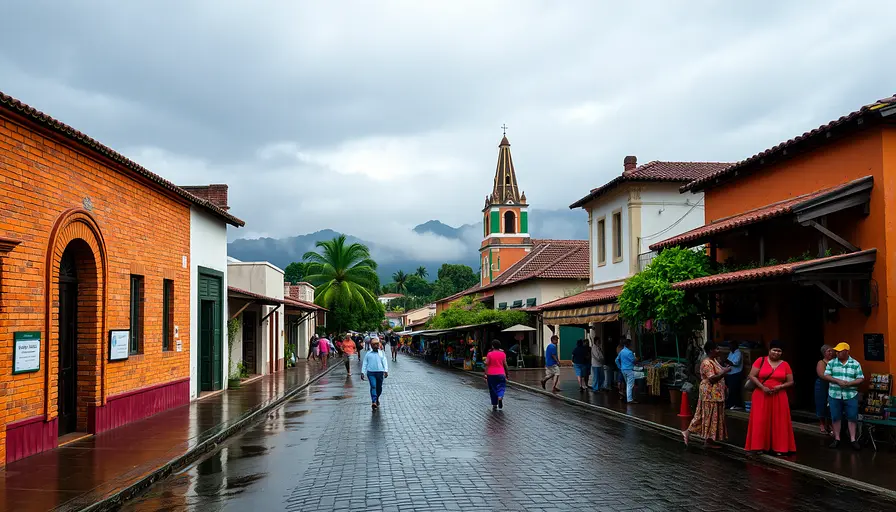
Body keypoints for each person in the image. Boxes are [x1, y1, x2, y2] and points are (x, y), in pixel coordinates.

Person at [744, 340, 797, 455]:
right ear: (769, 350)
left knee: (779, 421)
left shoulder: (785, 365)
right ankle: (758, 447)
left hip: (779, 395)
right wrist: (762, 387)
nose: (776, 353)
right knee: (760, 420)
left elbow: (791, 382)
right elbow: (752, 376)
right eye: (774, 350)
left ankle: (780, 448)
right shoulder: (760, 360)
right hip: (761, 394)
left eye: (779, 351)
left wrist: (780, 387)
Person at [683, 341, 730, 447]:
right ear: (711, 351)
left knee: (714, 416)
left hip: (717, 394)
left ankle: (709, 440)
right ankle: (688, 432)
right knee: (708, 416)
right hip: (710, 394)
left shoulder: (715, 361)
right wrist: (725, 371)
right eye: (717, 349)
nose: (719, 351)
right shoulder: (706, 363)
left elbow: (719, 374)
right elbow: (712, 379)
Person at [823, 342, 864, 450]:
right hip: (834, 394)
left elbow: (860, 378)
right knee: (836, 416)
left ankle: (853, 439)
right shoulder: (832, 363)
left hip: (850, 394)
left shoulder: (855, 364)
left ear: (846, 352)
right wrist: (837, 381)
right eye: (837, 351)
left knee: (852, 416)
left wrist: (850, 383)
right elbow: (826, 375)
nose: (837, 353)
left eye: (840, 351)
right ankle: (837, 438)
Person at [360, 337, 389, 410]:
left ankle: (377, 398)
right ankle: (373, 401)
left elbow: (384, 361)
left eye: (377, 344)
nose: (376, 346)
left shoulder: (381, 353)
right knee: (373, 386)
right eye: (374, 344)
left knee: (379, 387)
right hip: (371, 372)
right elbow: (365, 363)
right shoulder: (368, 354)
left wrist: (386, 370)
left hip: (380, 372)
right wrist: (363, 372)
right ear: (371, 345)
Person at [484, 340, 510, 410]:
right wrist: (507, 374)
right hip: (501, 373)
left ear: (492, 346)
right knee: (501, 387)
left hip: (491, 374)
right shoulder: (503, 354)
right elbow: (505, 364)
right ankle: (500, 396)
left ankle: (494, 404)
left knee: (492, 389)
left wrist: (485, 374)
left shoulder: (489, 354)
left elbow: (486, 364)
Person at [815, 344, 835, 435]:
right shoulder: (821, 362)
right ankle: (822, 423)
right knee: (821, 403)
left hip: (833, 385)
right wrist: (835, 379)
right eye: (828, 351)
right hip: (822, 385)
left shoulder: (835, 362)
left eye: (832, 351)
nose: (831, 353)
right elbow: (822, 375)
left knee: (831, 404)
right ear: (824, 353)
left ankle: (830, 423)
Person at [615, 339, 637, 404]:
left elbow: (616, 360)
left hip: (623, 370)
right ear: (629, 345)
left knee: (628, 384)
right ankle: (630, 399)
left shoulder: (622, 351)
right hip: (629, 369)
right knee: (630, 385)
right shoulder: (629, 352)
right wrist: (636, 359)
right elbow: (634, 361)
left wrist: (620, 367)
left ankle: (630, 397)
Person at [724, 341, 744, 410]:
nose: (729, 347)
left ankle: (737, 405)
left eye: (730, 345)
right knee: (730, 390)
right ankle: (730, 404)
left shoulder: (738, 353)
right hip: (730, 373)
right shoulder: (731, 353)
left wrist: (727, 361)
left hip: (736, 374)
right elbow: (728, 362)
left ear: (734, 346)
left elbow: (735, 363)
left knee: (734, 390)